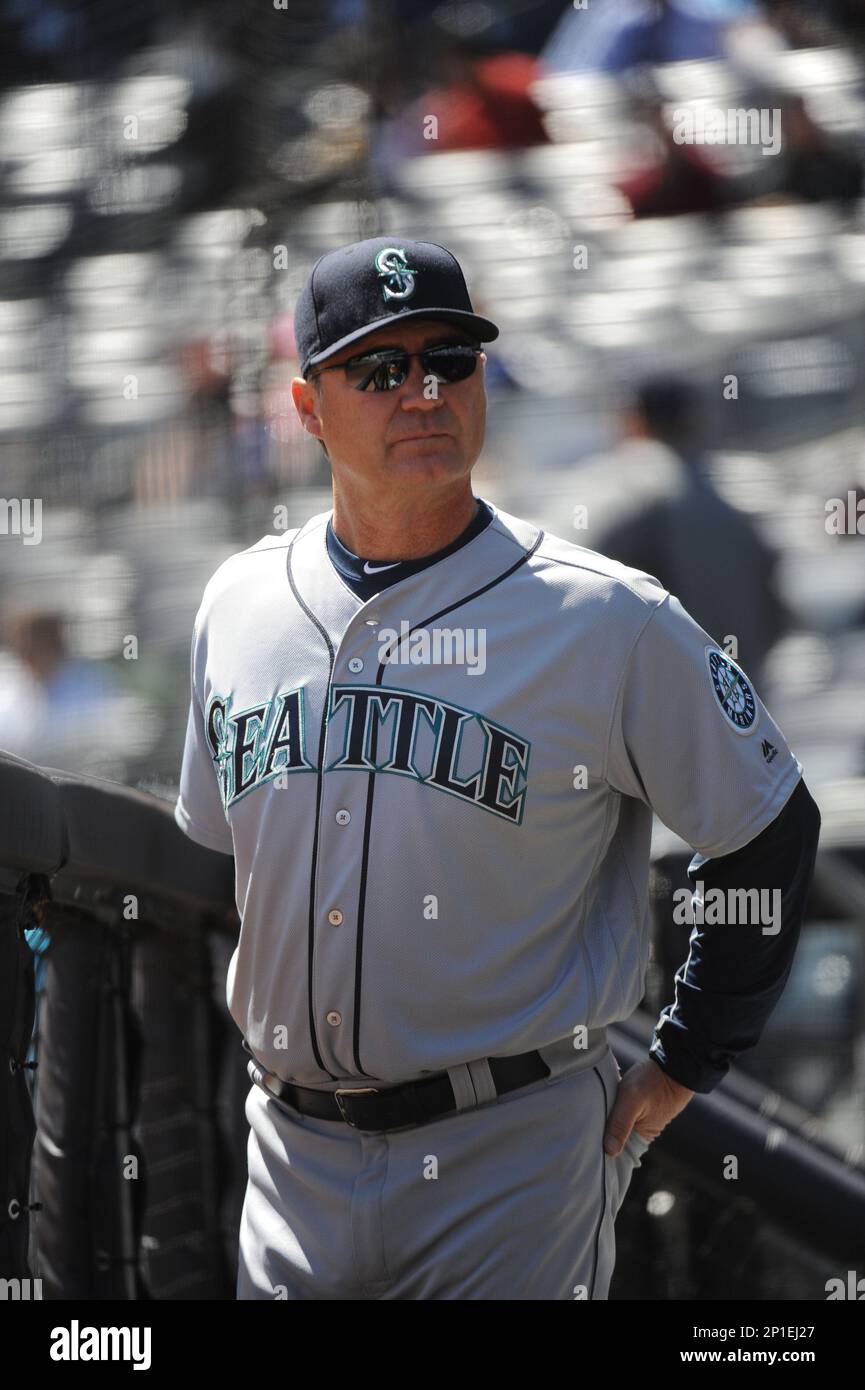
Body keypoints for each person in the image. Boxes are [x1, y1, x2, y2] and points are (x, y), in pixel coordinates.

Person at [174, 236, 820, 1301]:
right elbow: (209, 866)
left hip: (507, 1153)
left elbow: (768, 826)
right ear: (307, 407)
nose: (423, 392)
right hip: (289, 1158)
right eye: (380, 369)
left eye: (450, 361)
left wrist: (685, 1057)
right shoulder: (235, 604)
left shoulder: (603, 615)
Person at [597, 375, 790, 688]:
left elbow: (594, 598)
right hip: (743, 689)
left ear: (635, 421)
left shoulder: (625, 488)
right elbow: (777, 610)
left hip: (662, 694)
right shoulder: (743, 488)